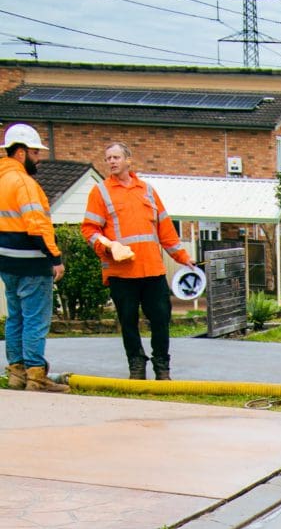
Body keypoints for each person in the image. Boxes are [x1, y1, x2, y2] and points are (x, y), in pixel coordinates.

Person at [81, 142, 194, 380]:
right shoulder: (100, 192)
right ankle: (136, 364)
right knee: (128, 322)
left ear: (128, 160)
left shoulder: (148, 191)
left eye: (116, 157)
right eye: (108, 158)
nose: (111, 162)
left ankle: (162, 366)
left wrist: (183, 258)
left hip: (152, 270)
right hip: (122, 273)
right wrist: (108, 247)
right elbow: (90, 230)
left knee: (161, 319)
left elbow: (165, 230)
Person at [0, 121, 69, 392]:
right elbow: (37, 226)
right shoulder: (24, 183)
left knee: (16, 316)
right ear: (21, 153)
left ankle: (16, 372)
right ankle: (36, 374)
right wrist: (55, 258)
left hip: (6, 261)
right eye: (35, 153)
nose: (39, 159)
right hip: (30, 262)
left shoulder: (2, 179)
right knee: (35, 319)